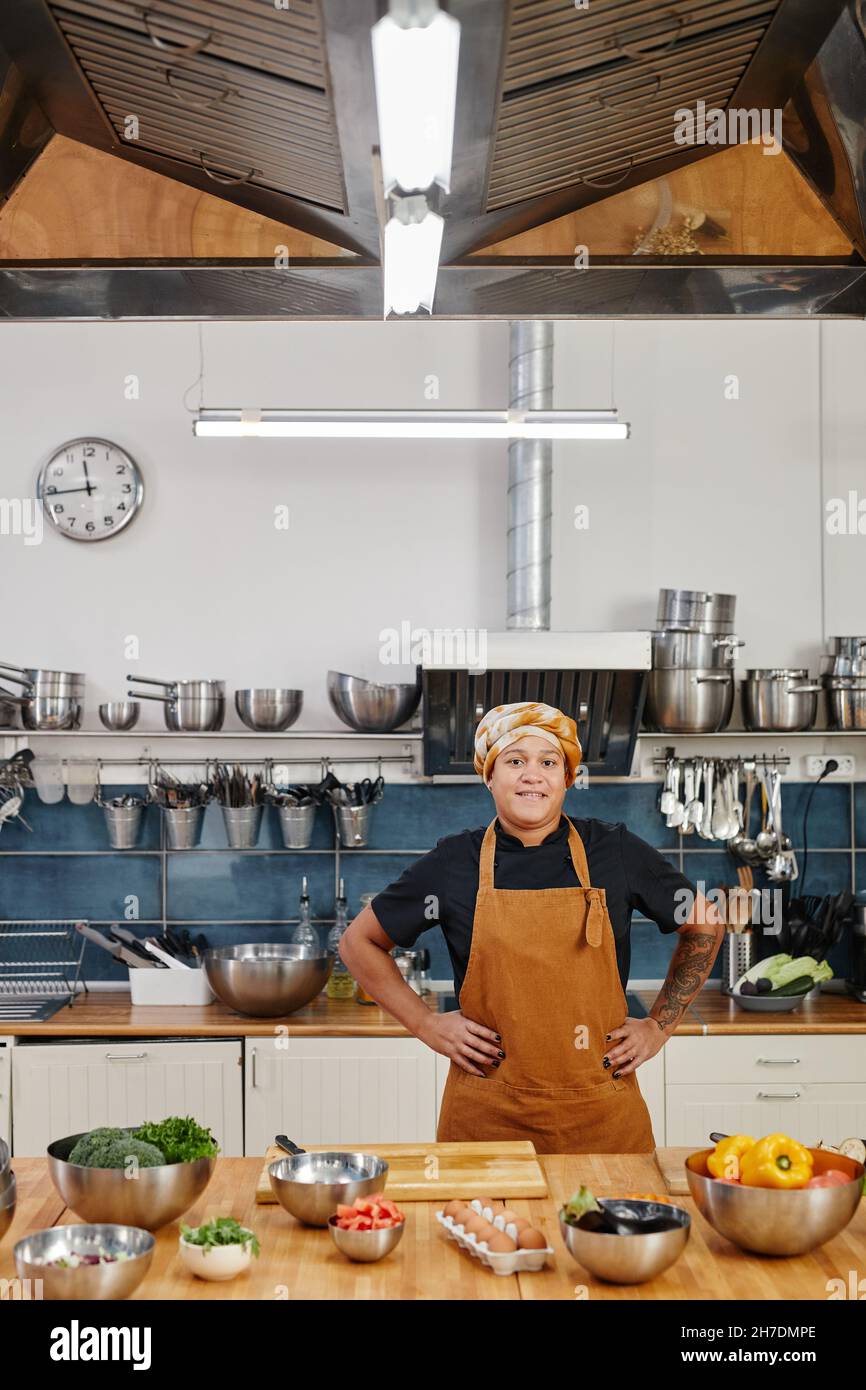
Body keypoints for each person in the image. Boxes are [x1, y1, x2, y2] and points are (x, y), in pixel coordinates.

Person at [340, 701, 723, 1153]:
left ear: (567, 777)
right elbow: (358, 942)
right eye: (515, 760)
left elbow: (704, 922)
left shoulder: (614, 849)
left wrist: (658, 1026)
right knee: (485, 1226)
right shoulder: (453, 862)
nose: (532, 774)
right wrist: (425, 1024)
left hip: (601, 1115)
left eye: (548, 761)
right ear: (490, 775)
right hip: (488, 1117)